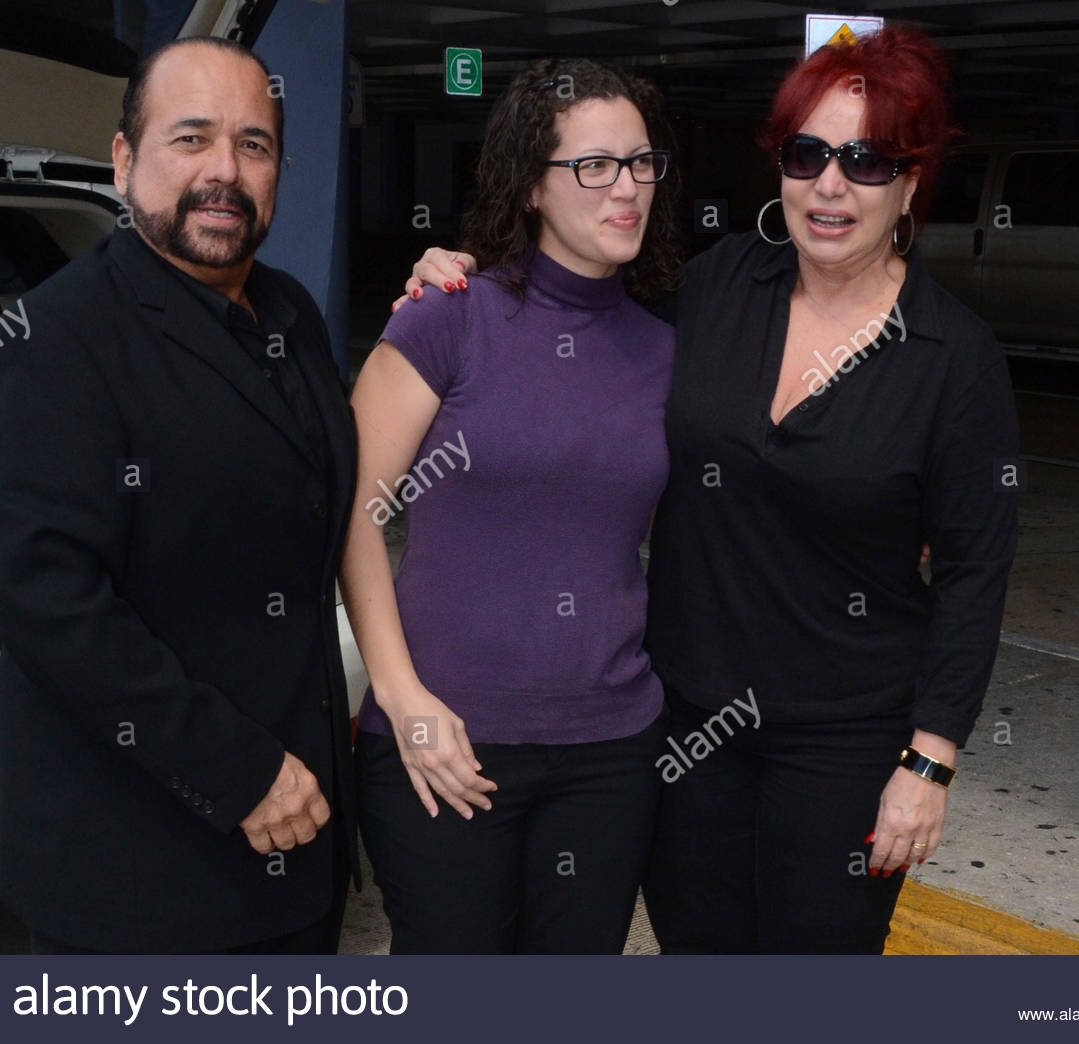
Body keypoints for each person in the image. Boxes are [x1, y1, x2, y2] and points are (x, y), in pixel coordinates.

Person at [398, 26, 1019, 954]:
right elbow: (573, 318)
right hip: (689, 727)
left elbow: (975, 572)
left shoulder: (953, 359)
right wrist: (467, 278)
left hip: (845, 742)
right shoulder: (718, 288)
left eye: (868, 159)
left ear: (913, 181)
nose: (832, 185)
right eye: (808, 154)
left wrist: (928, 764)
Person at [0, 37, 358, 954]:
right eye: (192, 138)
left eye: (254, 145)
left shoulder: (291, 313)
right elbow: (56, 612)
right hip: (138, 880)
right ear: (123, 159)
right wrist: (243, 771)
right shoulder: (50, 343)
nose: (225, 171)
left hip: (295, 861)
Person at [340, 58, 681, 954]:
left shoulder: (664, 352)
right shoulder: (448, 315)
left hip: (611, 749)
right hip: (443, 740)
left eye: (642, 164)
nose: (627, 189)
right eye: (594, 166)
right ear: (532, 184)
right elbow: (351, 512)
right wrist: (402, 695)